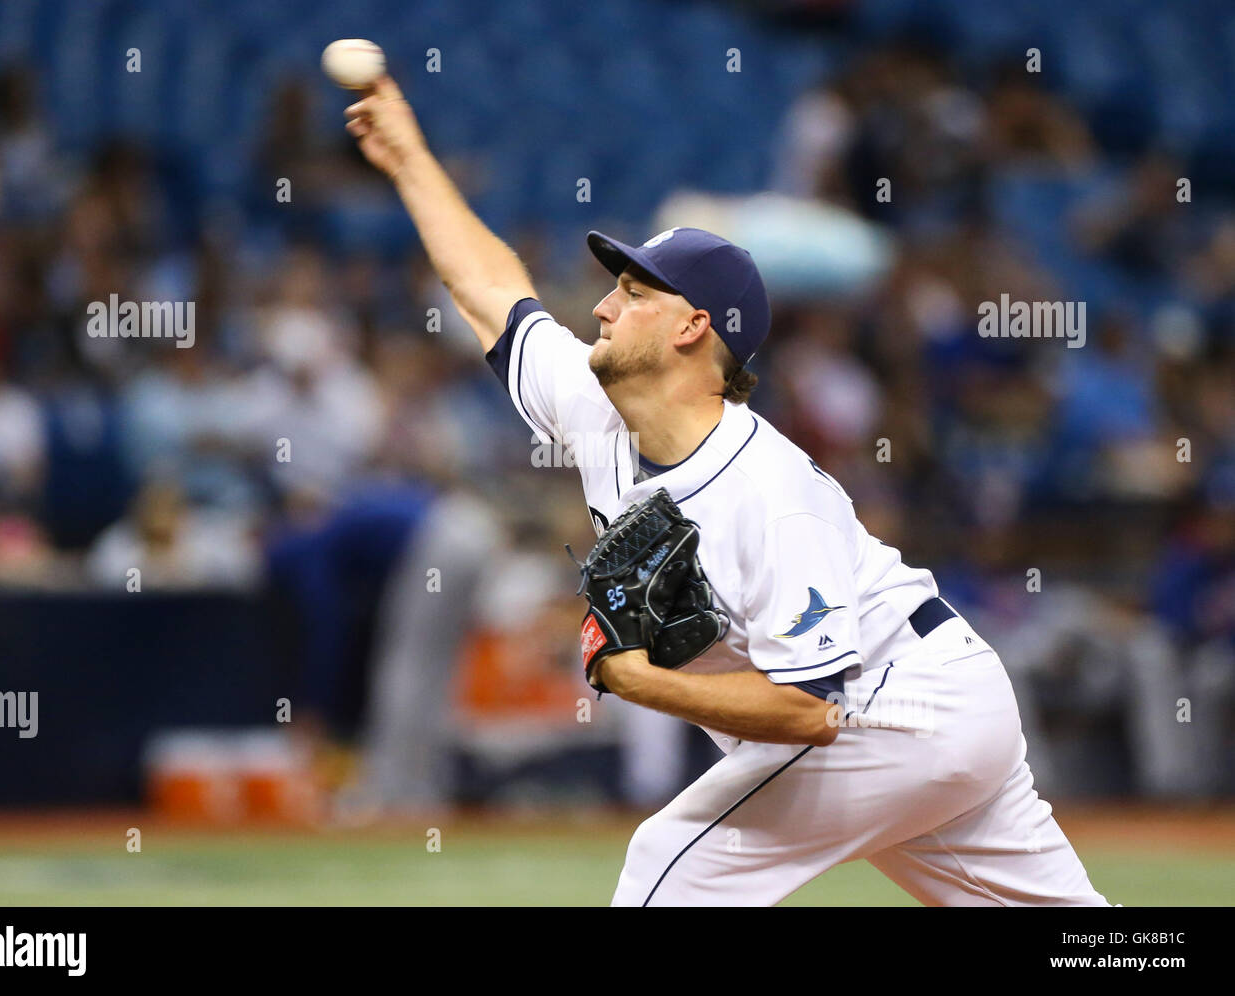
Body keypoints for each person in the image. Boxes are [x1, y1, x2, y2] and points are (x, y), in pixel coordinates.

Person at [342, 76, 1109, 907]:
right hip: (932, 714)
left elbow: (811, 713)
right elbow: (490, 290)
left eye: (633, 292)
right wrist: (409, 157)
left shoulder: (765, 488)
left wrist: (637, 681)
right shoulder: (595, 408)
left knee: (670, 866)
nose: (601, 306)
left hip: (900, 704)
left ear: (691, 327)